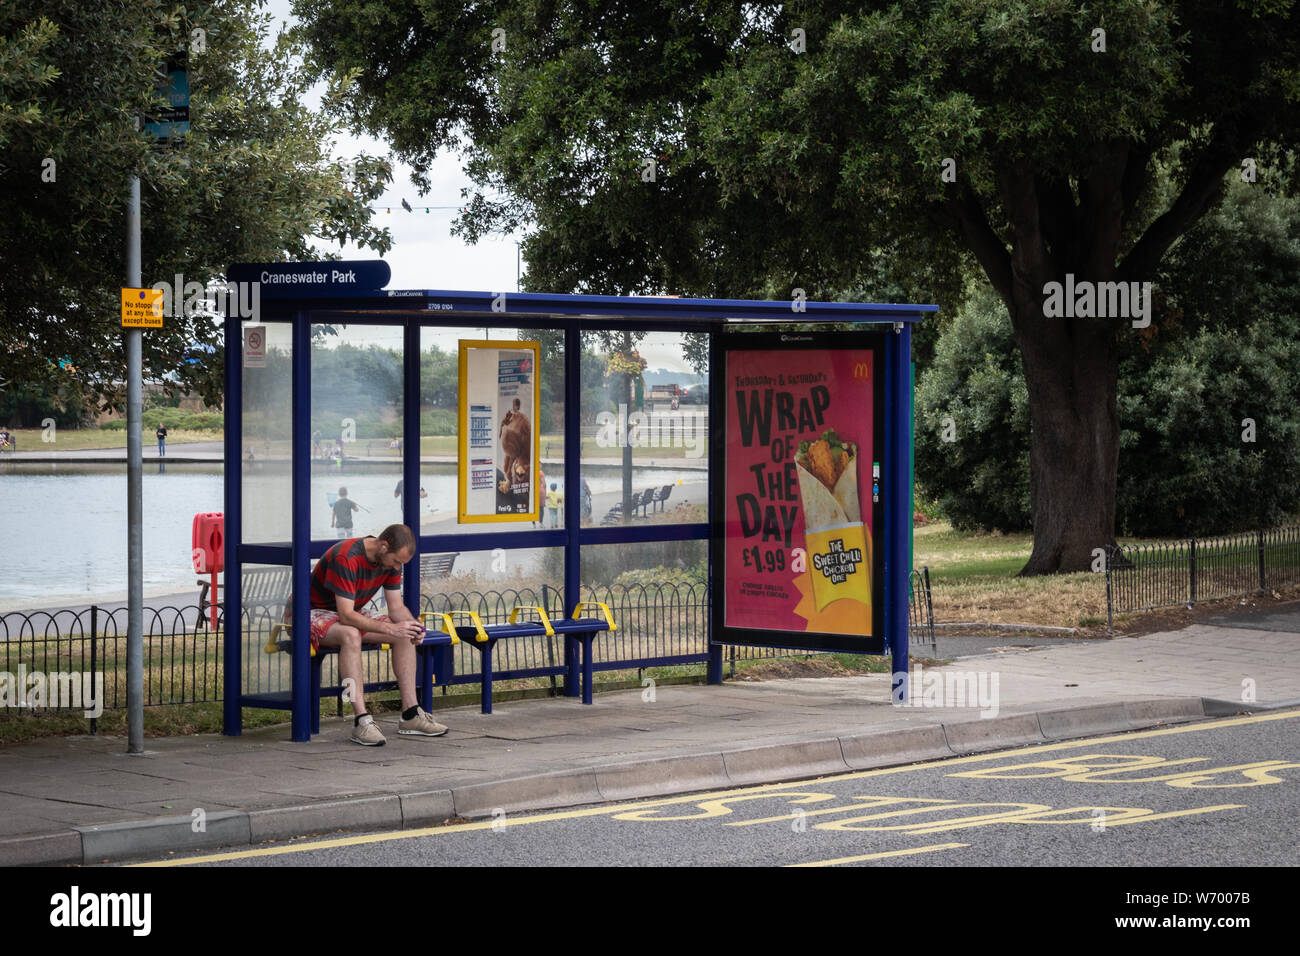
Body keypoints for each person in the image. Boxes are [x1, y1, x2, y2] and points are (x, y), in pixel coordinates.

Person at [308, 524, 447, 746]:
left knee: (403, 633)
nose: (397, 567)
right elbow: (345, 615)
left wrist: (413, 627)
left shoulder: (390, 560)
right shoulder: (347, 557)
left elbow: (396, 607)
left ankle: (411, 714)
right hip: (309, 612)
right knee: (351, 634)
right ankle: (361, 721)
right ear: (383, 546)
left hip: (348, 613)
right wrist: (390, 628)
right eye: (396, 562)